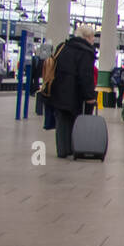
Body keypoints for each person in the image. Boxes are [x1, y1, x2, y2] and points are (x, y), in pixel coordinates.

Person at [49, 27, 98, 159]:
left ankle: (62, 150)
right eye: (92, 37)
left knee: (61, 120)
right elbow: (85, 76)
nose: (93, 40)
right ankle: (73, 148)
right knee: (75, 121)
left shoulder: (63, 47)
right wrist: (89, 96)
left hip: (58, 90)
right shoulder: (86, 52)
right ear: (86, 38)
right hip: (74, 94)